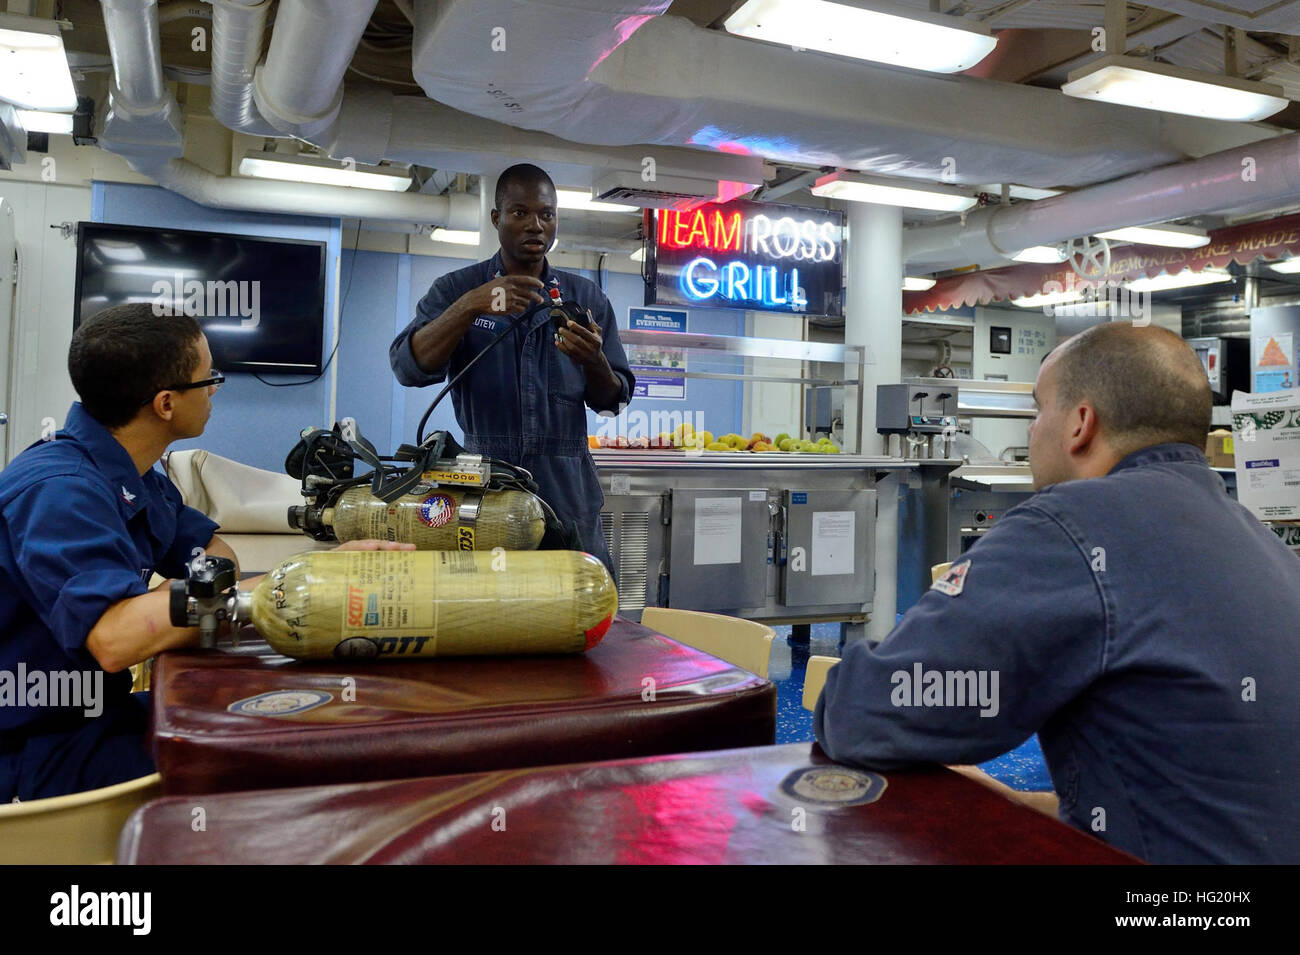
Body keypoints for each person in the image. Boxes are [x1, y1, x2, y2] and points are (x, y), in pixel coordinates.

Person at [815, 322, 1300, 864]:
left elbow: (866, 713)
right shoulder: (1262, 541)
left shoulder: (1071, 525)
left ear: (1080, 424)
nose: (1030, 432)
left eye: (1037, 410)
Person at [0, 304, 407, 801]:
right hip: (35, 745)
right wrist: (298, 578)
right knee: (284, 767)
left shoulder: (132, 472)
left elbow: (216, 554)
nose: (215, 388)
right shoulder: (59, 491)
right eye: (208, 377)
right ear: (166, 404)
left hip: (90, 716)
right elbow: (114, 639)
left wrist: (213, 595)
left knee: (289, 719)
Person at [389, 163, 634, 573]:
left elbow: (613, 403)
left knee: (581, 609)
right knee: (486, 610)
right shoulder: (456, 289)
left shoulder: (585, 297)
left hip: (567, 489)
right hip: (486, 485)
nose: (536, 225)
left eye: (547, 214)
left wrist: (594, 360)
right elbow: (409, 367)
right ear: (496, 218)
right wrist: (470, 306)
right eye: (520, 213)